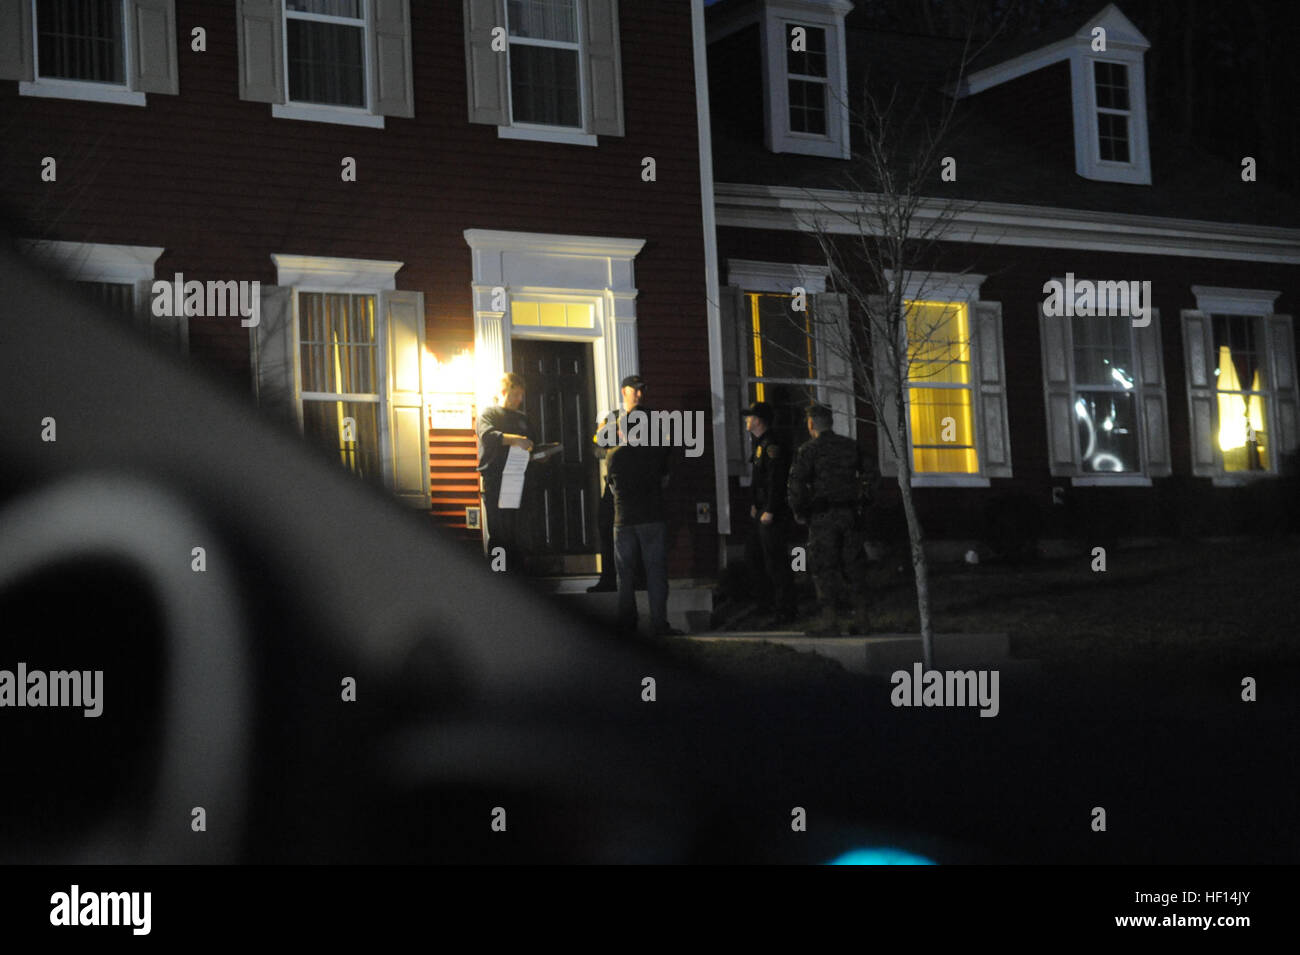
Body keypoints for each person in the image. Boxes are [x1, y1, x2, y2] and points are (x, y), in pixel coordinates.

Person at [787, 403, 878, 636]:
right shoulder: (850, 447)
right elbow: (872, 474)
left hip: (823, 516)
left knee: (824, 568)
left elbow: (796, 485)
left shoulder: (809, 450)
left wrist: (800, 511)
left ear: (811, 424)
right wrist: (863, 501)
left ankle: (830, 621)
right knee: (854, 566)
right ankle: (863, 619)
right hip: (850, 515)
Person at [605, 404, 672, 636]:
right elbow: (664, 480)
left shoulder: (613, 454)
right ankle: (659, 624)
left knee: (624, 574)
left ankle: (627, 624)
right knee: (656, 573)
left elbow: (612, 486)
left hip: (623, 520)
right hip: (652, 517)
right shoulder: (657, 450)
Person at [588, 375, 647, 593]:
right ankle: (608, 580)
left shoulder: (648, 417)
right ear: (624, 392)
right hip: (614, 487)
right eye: (635, 390)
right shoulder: (612, 418)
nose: (639, 395)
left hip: (639, 487)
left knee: (638, 534)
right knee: (606, 528)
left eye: (642, 390)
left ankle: (638, 581)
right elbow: (596, 448)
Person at [741, 400, 797, 624]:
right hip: (761, 509)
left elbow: (776, 480)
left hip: (771, 512)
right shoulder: (760, 444)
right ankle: (764, 604)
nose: (746, 420)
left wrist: (771, 509)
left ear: (758, 420)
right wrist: (755, 504)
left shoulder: (772, 445)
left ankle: (786, 609)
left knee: (776, 561)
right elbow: (759, 480)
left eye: (749, 417)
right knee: (754, 556)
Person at [476, 373, 534, 573]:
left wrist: (540, 453)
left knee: (517, 532)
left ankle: (519, 578)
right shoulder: (489, 413)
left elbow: (530, 444)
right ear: (503, 392)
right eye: (515, 394)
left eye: (521, 395)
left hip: (518, 479)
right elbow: (488, 436)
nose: (519, 400)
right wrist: (515, 439)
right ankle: (498, 577)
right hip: (496, 480)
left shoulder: (523, 418)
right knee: (499, 532)